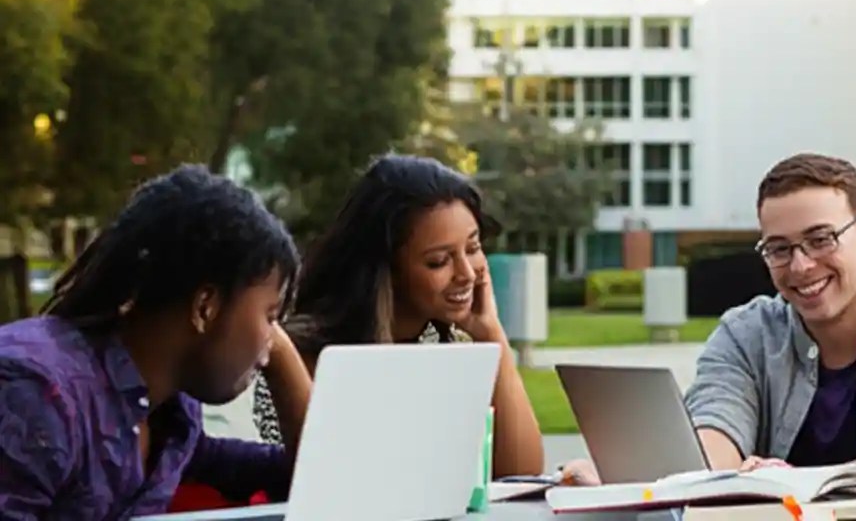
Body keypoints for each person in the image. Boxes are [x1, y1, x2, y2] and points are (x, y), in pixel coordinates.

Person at [560, 153, 856, 484]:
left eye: (820, 239)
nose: (801, 266)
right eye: (779, 248)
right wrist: (639, 477)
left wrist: (791, 484)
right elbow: (715, 431)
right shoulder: (745, 333)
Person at [0, 165, 312, 519]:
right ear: (205, 307)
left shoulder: (170, 419)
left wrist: (282, 360)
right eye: (271, 317)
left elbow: (316, 474)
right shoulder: (35, 394)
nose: (273, 339)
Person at [251, 154, 544, 477]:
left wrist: (492, 335)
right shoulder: (306, 355)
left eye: (472, 249)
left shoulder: (452, 345)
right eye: (438, 261)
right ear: (386, 270)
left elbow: (522, 473)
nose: (466, 273)